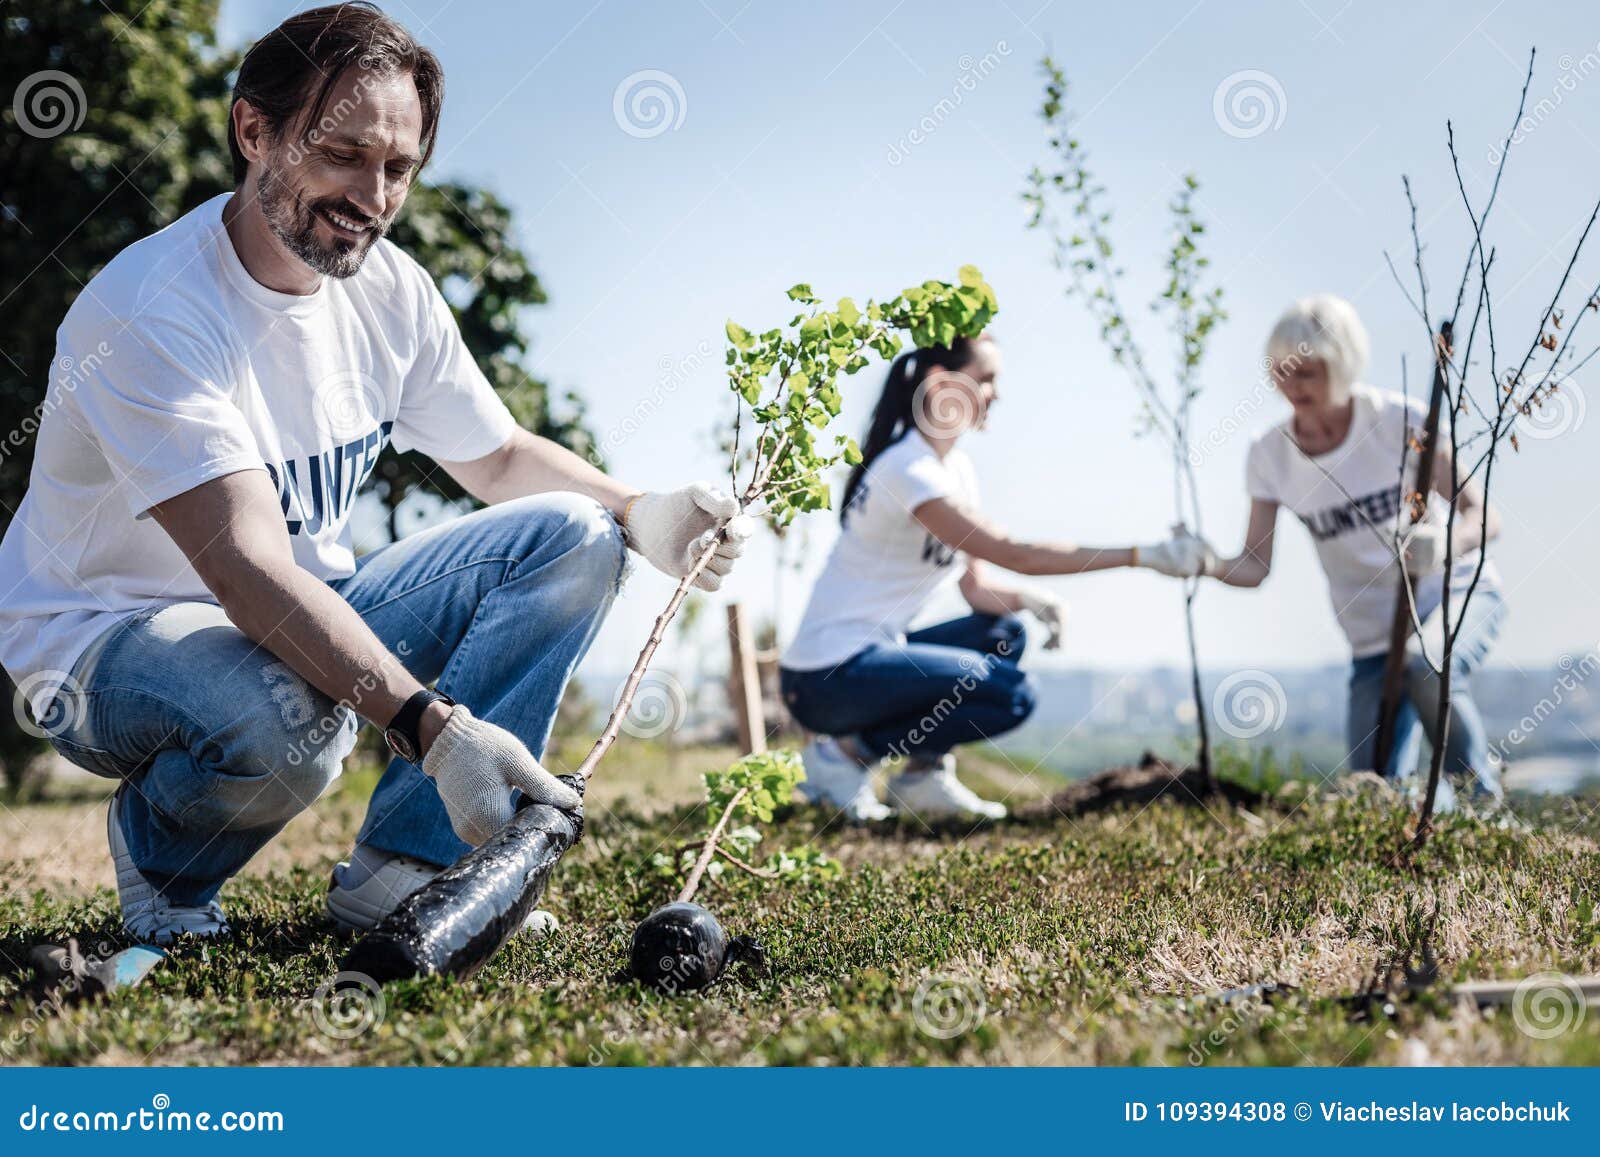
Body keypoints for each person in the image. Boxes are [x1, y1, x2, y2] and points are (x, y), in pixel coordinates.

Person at [0, 3, 751, 945]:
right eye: (343, 153)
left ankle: (409, 865)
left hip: (296, 604)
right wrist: (433, 727)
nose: (373, 193)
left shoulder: (391, 291)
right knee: (284, 727)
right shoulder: (152, 311)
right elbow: (245, 570)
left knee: (572, 536)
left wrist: (643, 509)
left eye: (399, 167)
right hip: (102, 640)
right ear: (252, 129)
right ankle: (163, 855)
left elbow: (499, 456)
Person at [778, 334, 1208, 822]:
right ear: (942, 383)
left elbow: (975, 588)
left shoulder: (955, 468)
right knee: (1011, 694)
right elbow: (1014, 553)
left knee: (1005, 632)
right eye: (986, 380)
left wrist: (1030, 600)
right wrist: (1142, 555)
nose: (996, 395)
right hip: (825, 679)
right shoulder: (909, 469)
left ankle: (921, 776)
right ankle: (845, 754)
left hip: (873, 659)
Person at [1197, 294, 1505, 809]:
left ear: (1341, 367)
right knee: (1374, 796)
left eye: (1308, 373)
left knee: (1427, 668)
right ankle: (1439, 824)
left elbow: (1485, 516)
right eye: (1280, 372)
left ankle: (1484, 808)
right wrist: (1202, 562)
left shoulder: (1400, 422)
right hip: (1371, 636)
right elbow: (1254, 563)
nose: (1291, 388)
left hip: (1447, 595)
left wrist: (1444, 542)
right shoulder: (1269, 454)